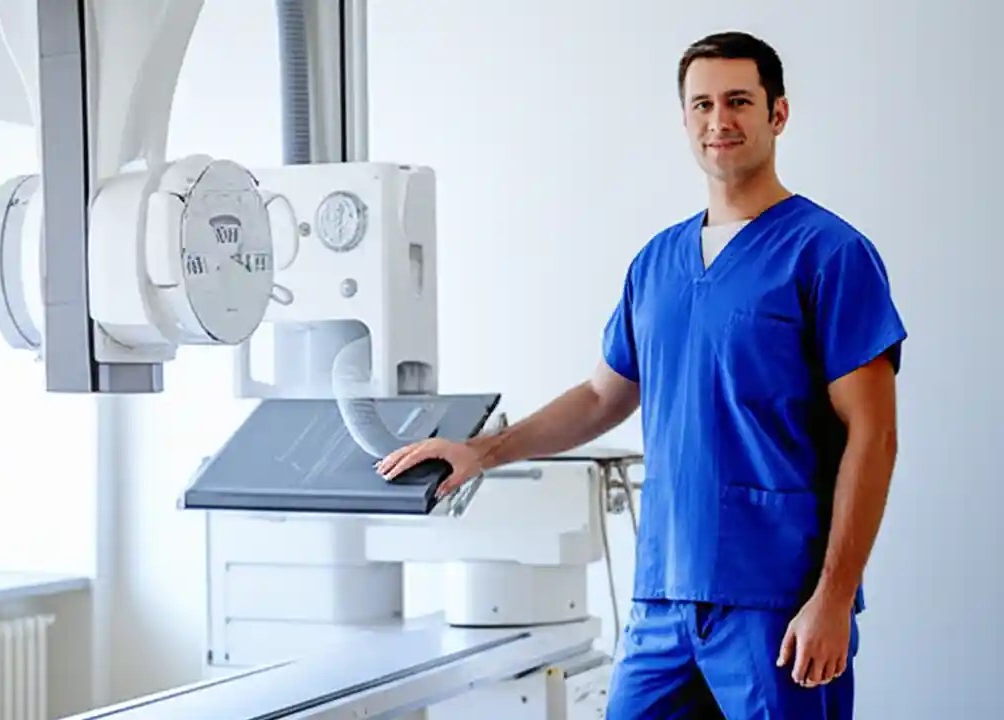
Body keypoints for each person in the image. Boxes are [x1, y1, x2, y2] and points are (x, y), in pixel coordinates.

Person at [375, 30, 905, 718]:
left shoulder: (829, 254)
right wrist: (482, 451)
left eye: (740, 101)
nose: (720, 121)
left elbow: (874, 433)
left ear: (778, 114)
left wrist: (833, 598)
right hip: (663, 596)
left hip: (777, 599)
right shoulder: (656, 264)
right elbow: (602, 396)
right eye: (702, 105)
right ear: (685, 119)